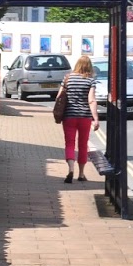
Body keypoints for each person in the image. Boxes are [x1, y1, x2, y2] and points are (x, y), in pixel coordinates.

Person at [59, 54, 99, 183]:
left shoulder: (67, 78)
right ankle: (81, 174)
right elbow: (91, 100)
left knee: (69, 143)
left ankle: (71, 169)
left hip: (69, 116)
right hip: (84, 118)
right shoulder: (90, 80)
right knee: (83, 145)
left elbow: (59, 96)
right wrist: (96, 119)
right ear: (89, 67)